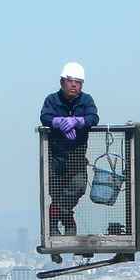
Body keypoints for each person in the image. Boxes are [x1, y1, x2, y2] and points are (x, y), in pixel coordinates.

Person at [40, 61, 99, 236]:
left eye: (78, 82)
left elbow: (93, 117)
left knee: (78, 187)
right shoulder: (52, 99)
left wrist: (78, 121)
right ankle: (65, 224)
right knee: (55, 192)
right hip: (55, 155)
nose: (74, 85)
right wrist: (57, 122)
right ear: (62, 82)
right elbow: (45, 116)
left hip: (77, 155)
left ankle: (56, 219)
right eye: (71, 81)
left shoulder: (86, 100)